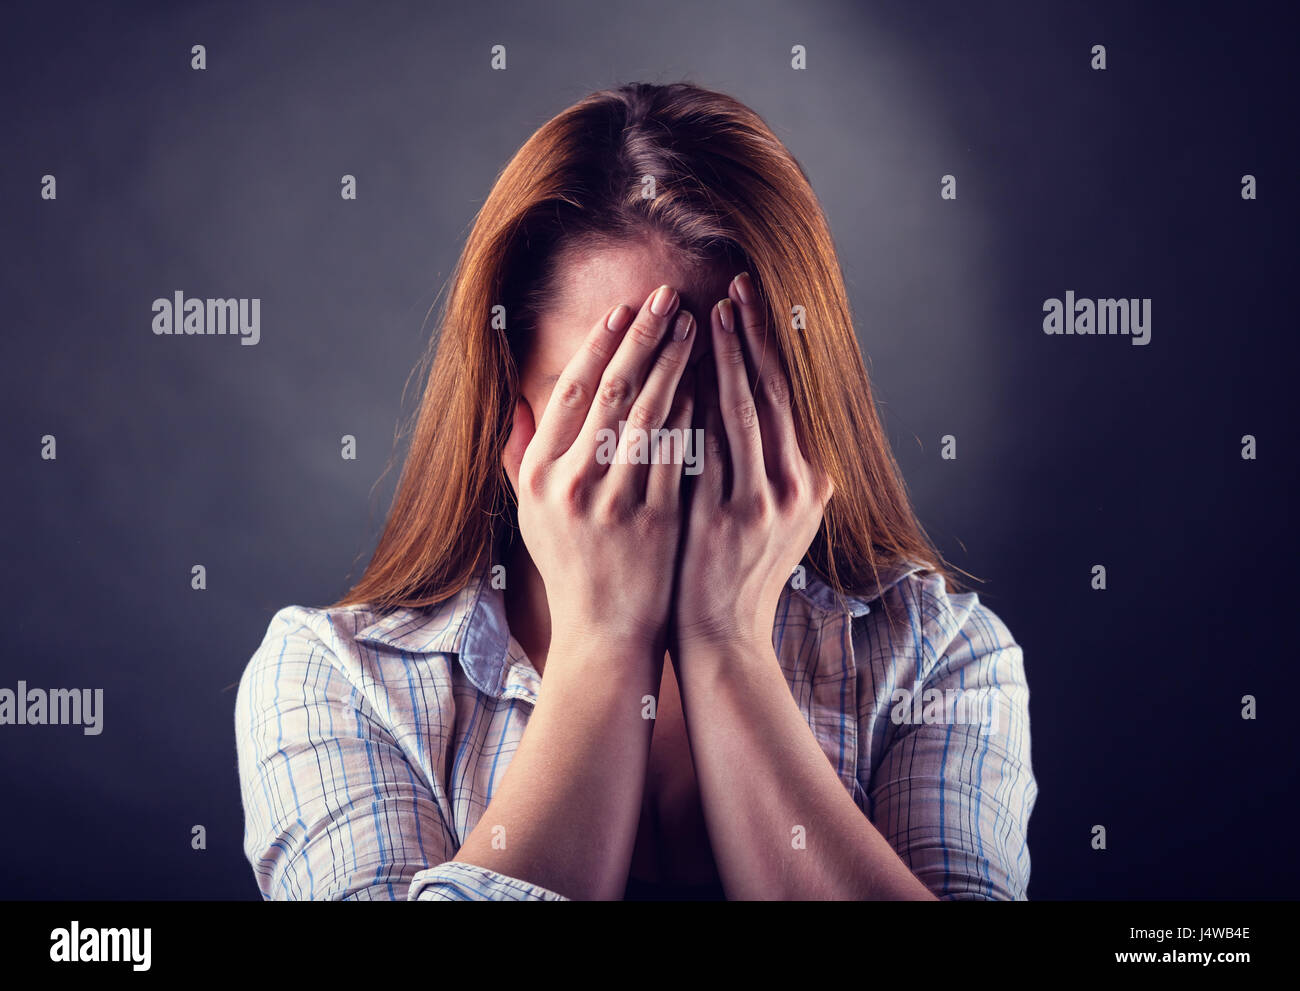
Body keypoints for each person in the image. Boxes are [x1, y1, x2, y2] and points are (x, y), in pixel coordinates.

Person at [234, 81, 1037, 901]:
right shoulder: (337, 679)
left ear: (800, 404)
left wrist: (726, 642)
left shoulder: (937, 659)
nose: (675, 455)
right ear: (510, 419)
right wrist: (604, 639)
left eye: (723, 398)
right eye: (617, 398)